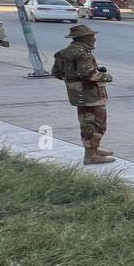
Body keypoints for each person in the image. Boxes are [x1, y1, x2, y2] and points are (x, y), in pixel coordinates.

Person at [51, 23, 114, 164]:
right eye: (91, 36)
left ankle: (93, 149)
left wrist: (73, 81)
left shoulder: (63, 53)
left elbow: (57, 73)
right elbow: (88, 74)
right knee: (96, 124)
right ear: (84, 38)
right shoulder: (83, 54)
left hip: (76, 95)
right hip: (91, 96)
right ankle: (90, 155)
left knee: (86, 122)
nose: (94, 39)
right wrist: (105, 77)